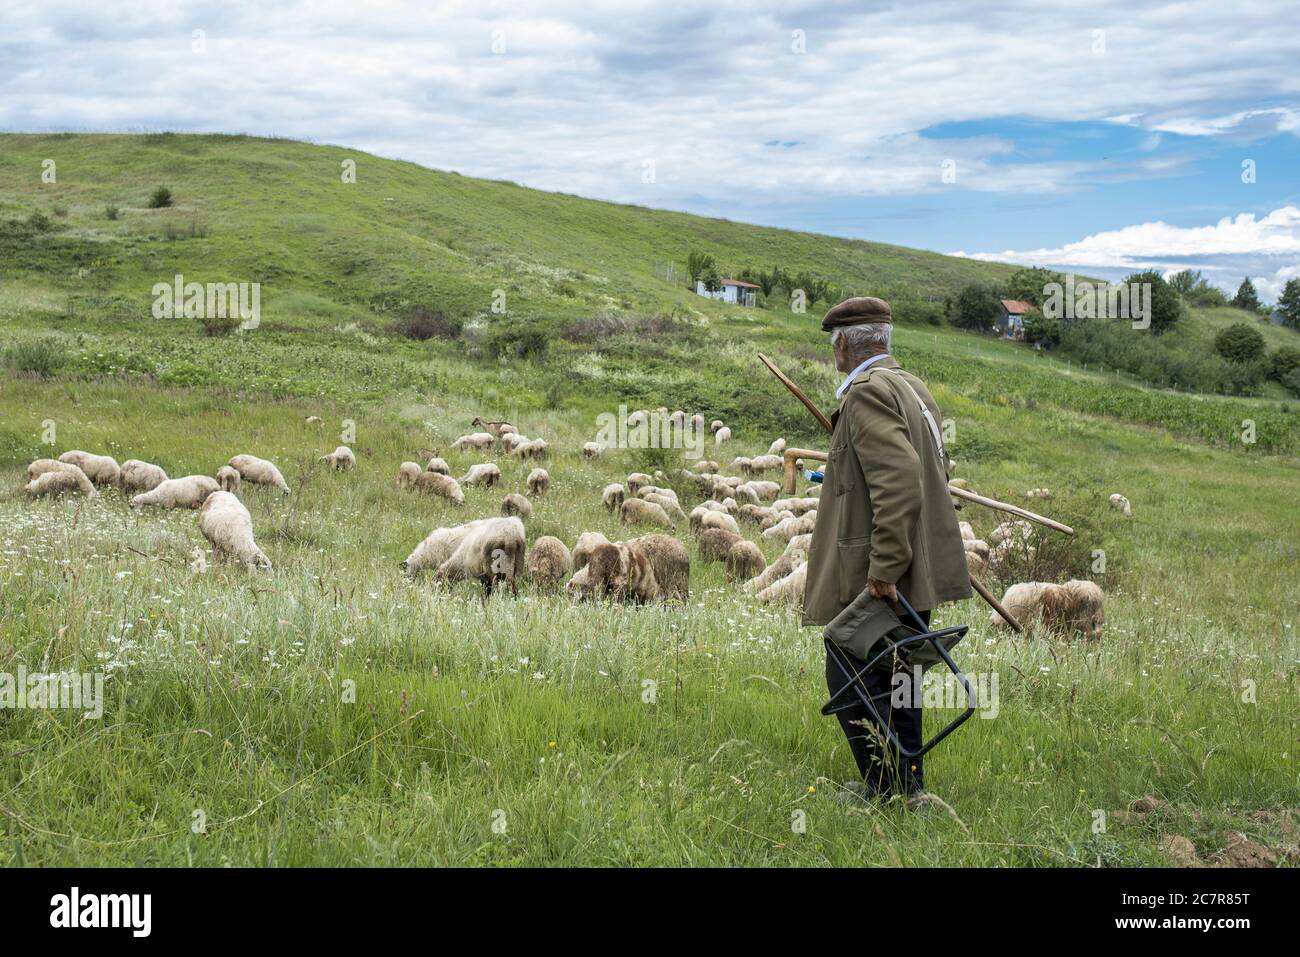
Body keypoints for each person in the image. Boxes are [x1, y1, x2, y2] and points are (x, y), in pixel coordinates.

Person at [801, 296, 971, 807]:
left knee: (849, 663)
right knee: (903, 673)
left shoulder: (867, 395)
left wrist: (884, 568)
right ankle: (908, 787)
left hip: (884, 568)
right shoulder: (913, 389)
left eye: (834, 345)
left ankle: (882, 788)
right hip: (919, 567)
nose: (834, 355)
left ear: (844, 344)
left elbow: (898, 483)